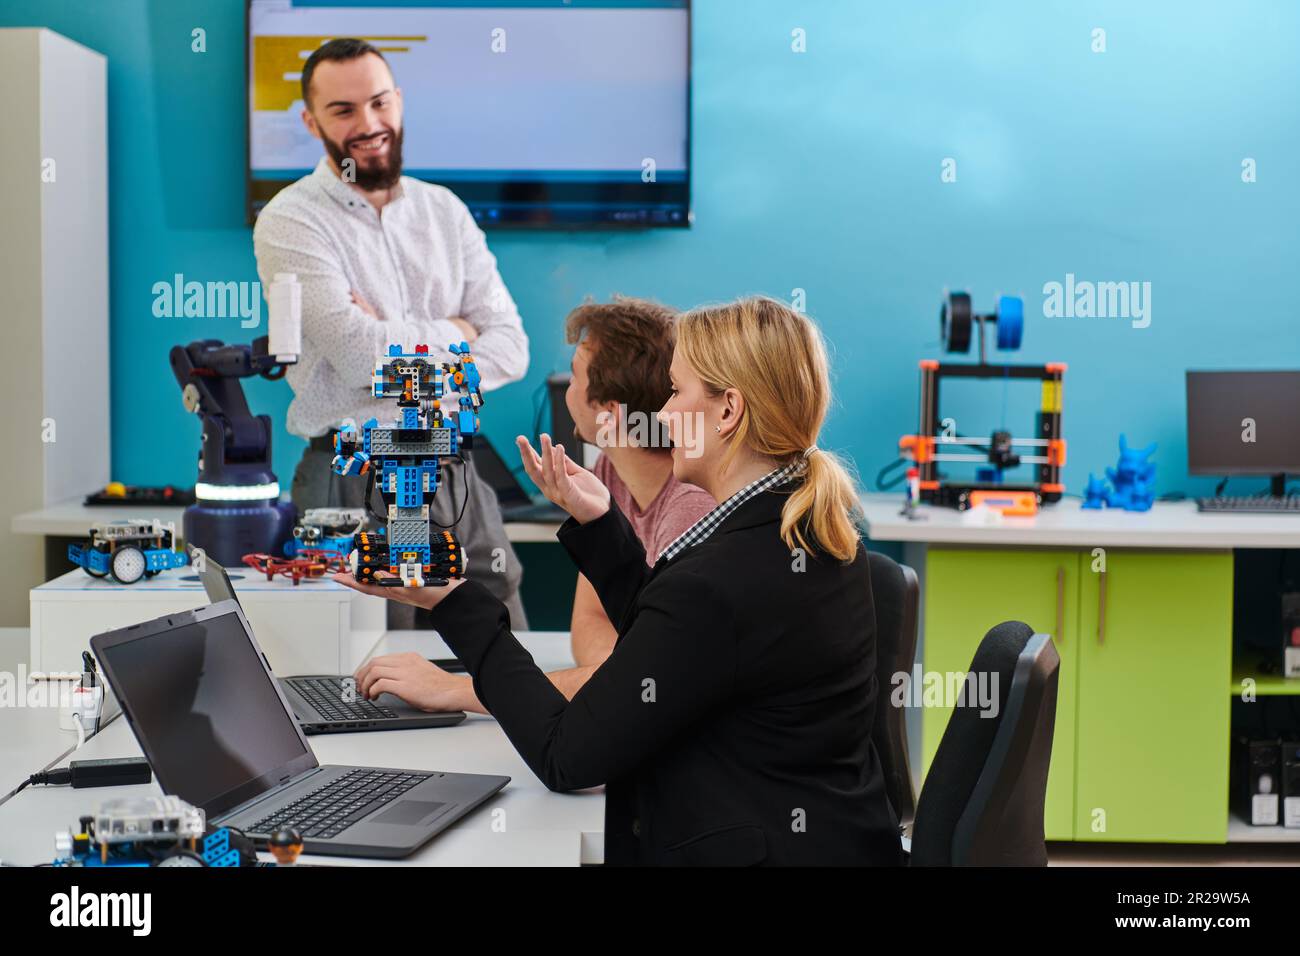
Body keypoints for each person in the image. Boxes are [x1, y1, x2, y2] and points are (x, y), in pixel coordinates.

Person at [339, 296, 903, 866]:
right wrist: (602, 522)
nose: (661, 415)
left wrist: (456, 602)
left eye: (678, 392)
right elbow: (676, 643)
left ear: (728, 410)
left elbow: (567, 756)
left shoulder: (722, 580)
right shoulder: (804, 531)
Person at [252, 38, 529, 627]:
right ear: (310, 120)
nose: (369, 123)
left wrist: (389, 333)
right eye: (343, 110)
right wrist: (456, 330)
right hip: (352, 480)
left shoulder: (444, 211)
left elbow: (511, 348)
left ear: (399, 101)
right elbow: (360, 359)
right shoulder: (290, 219)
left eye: (379, 102)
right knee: (367, 671)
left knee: (508, 659)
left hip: (456, 474)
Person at [350, 296, 715, 713]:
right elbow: (593, 625)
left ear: (610, 413)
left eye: (575, 377)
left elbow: (655, 680)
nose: (566, 389)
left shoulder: (692, 509)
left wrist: (456, 691)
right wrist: (614, 676)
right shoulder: (610, 473)